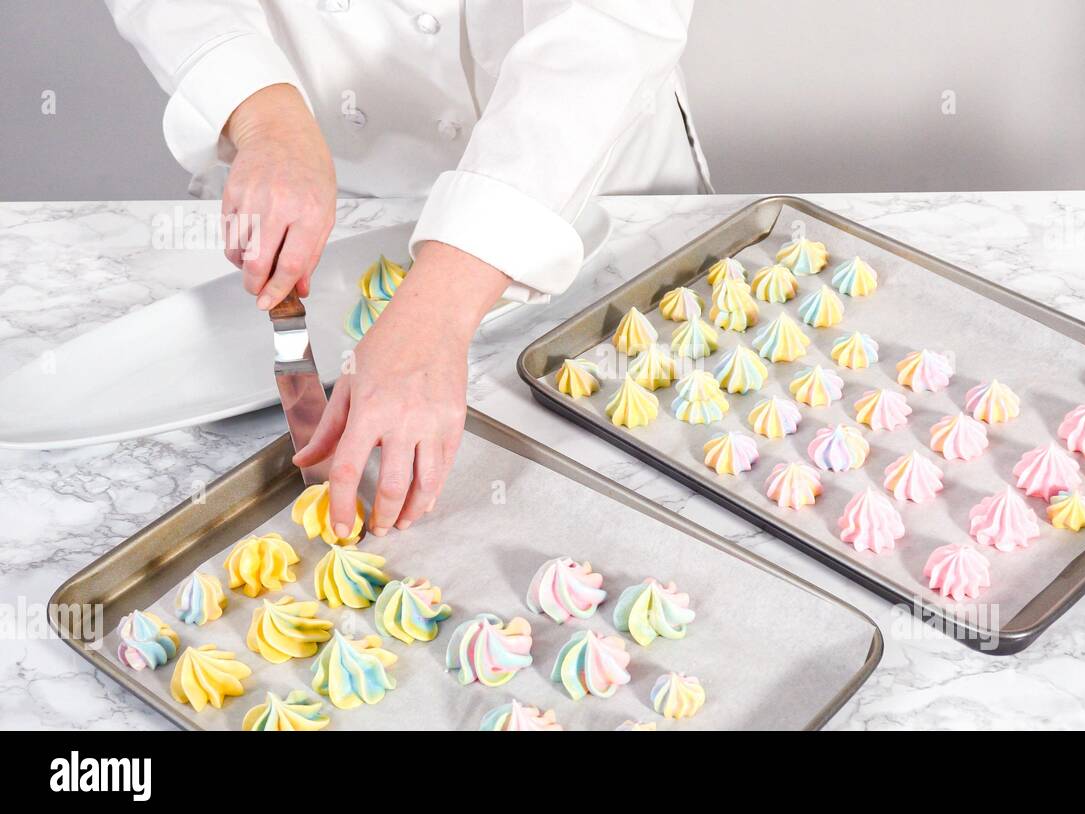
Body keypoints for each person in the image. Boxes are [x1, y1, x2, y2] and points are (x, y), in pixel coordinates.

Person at [106, 1, 710, 538]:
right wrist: (266, 119)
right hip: (310, 163)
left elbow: (608, 24)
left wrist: (433, 316)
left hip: (578, 182)